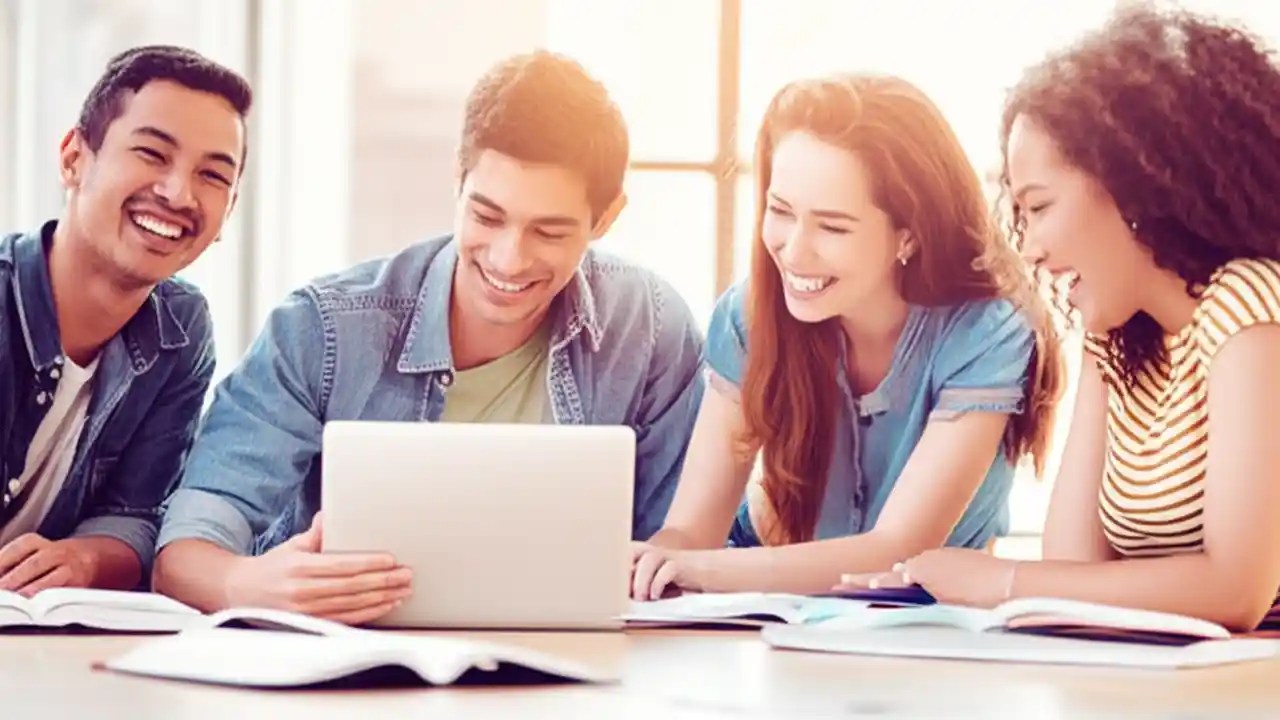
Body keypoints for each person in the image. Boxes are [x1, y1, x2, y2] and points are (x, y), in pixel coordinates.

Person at [152, 50, 705, 624]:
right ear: (458, 182)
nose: (508, 259)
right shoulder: (324, 329)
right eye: (487, 217)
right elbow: (185, 552)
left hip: (582, 668)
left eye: (548, 231)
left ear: (605, 218)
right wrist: (245, 583)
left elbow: (681, 553)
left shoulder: (651, 328)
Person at [844, 6, 1280, 632]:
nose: (1030, 247)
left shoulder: (1250, 311)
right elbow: (1072, 564)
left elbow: (1236, 589)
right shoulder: (1119, 340)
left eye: (1040, 207)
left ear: (1131, 187)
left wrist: (998, 581)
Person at [630, 74, 1063, 599]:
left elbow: (897, 550)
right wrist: (656, 559)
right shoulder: (749, 316)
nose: (793, 250)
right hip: (762, 617)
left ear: (909, 234)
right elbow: (693, 531)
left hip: (924, 627)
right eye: (780, 211)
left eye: (832, 227)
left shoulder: (987, 332)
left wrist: (700, 568)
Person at [0, 46, 250, 595]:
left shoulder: (180, 333)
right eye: (152, 154)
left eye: (212, 175)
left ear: (228, 211)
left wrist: (83, 560)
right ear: (73, 158)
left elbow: (136, 514)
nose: (178, 194)